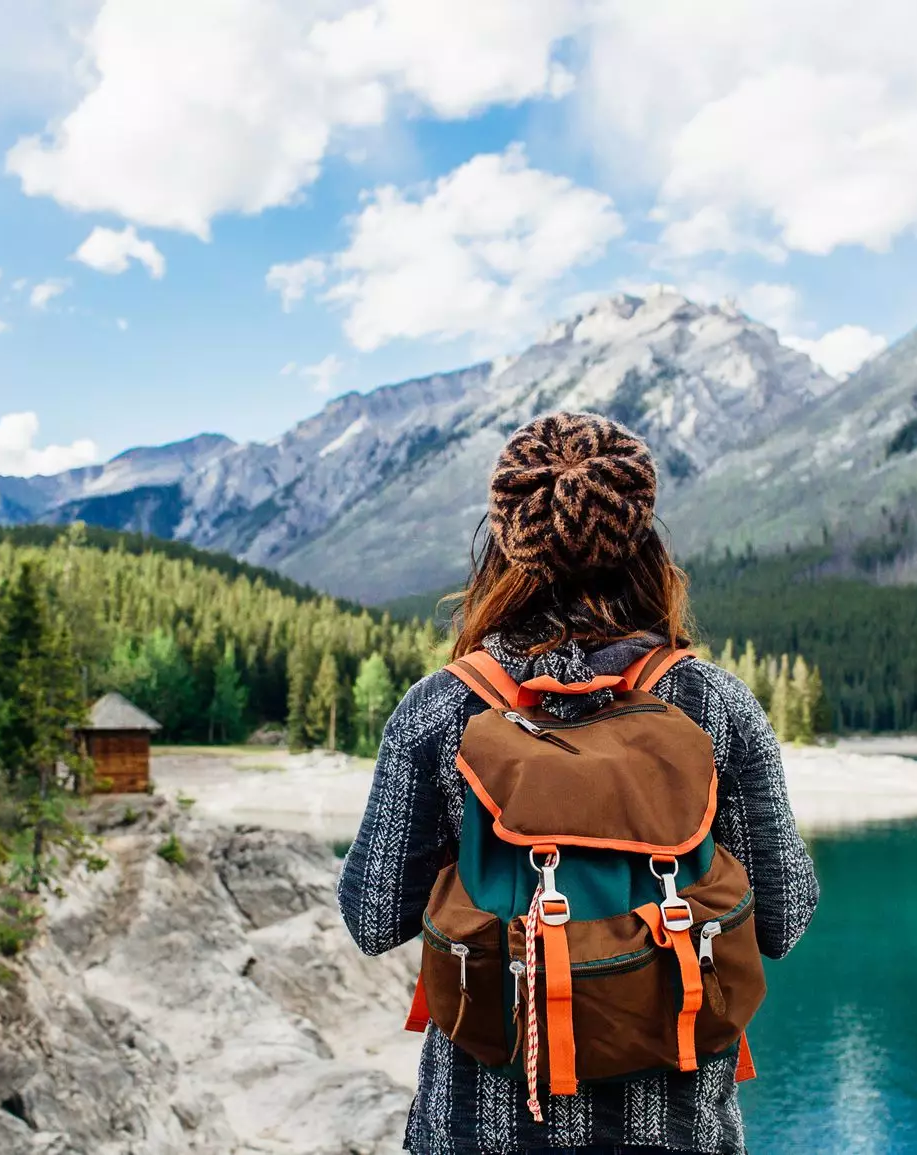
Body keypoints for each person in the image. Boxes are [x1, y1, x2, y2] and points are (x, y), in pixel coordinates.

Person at [338, 411, 820, 1155]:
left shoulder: (442, 707)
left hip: (478, 1134)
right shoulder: (712, 705)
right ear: (643, 549)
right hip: (676, 1134)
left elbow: (373, 918)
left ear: (501, 550)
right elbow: (782, 919)